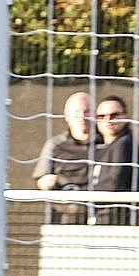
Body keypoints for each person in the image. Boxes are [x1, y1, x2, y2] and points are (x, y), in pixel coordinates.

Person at [32, 91, 98, 225]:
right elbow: (41, 179)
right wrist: (46, 182)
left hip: (100, 220)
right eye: (77, 112)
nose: (82, 117)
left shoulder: (107, 144)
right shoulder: (55, 145)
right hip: (63, 221)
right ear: (66, 116)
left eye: (87, 111)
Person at [86, 94, 139, 224]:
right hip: (97, 218)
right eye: (101, 116)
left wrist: (80, 193)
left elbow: (114, 183)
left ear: (125, 116)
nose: (108, 120)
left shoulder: (125, 144)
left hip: (115, 222)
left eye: (114, 115)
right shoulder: (97, 146)